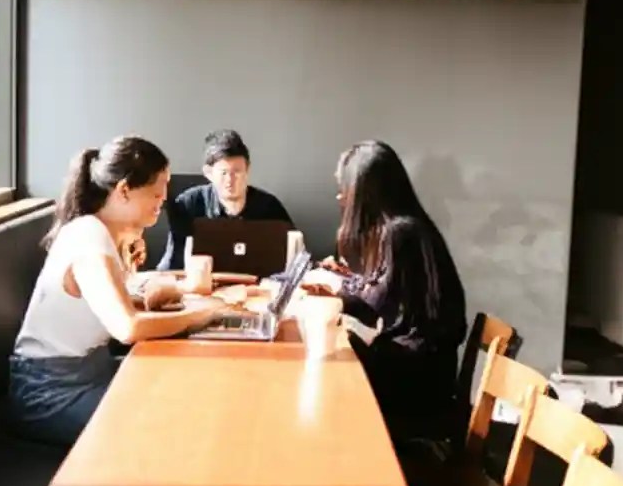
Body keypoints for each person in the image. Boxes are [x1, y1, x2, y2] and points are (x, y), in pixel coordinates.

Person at [8, 136, 224, 447]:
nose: (165, 197)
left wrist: (154, 295)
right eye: (157, 188)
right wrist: (203, 314)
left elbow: (107, 306)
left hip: (89, 373)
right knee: (178, 420)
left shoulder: (103, 234)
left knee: (190, 390)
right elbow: (127, 327)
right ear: (124, 190)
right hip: (51, 391)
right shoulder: (88, 235)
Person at [303, 141, 468, 452]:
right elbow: (384, 293)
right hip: (423, 366)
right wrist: (344, 280)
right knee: (335, 357)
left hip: (419, 379)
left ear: (365, 191)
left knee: (331, 369)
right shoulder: (405, 227)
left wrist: (336, 285)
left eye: (345, 188)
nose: (341, 197)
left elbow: (375, 303)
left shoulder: (401, 233)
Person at [155, 129, 294, 271]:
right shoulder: (188, 205)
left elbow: (295, 258)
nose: (230, 180)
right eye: (223, 173)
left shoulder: (269, 207)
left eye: (237, 172)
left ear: (247, 170)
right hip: (204, 288)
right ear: (208, 173)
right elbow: (172, 263)